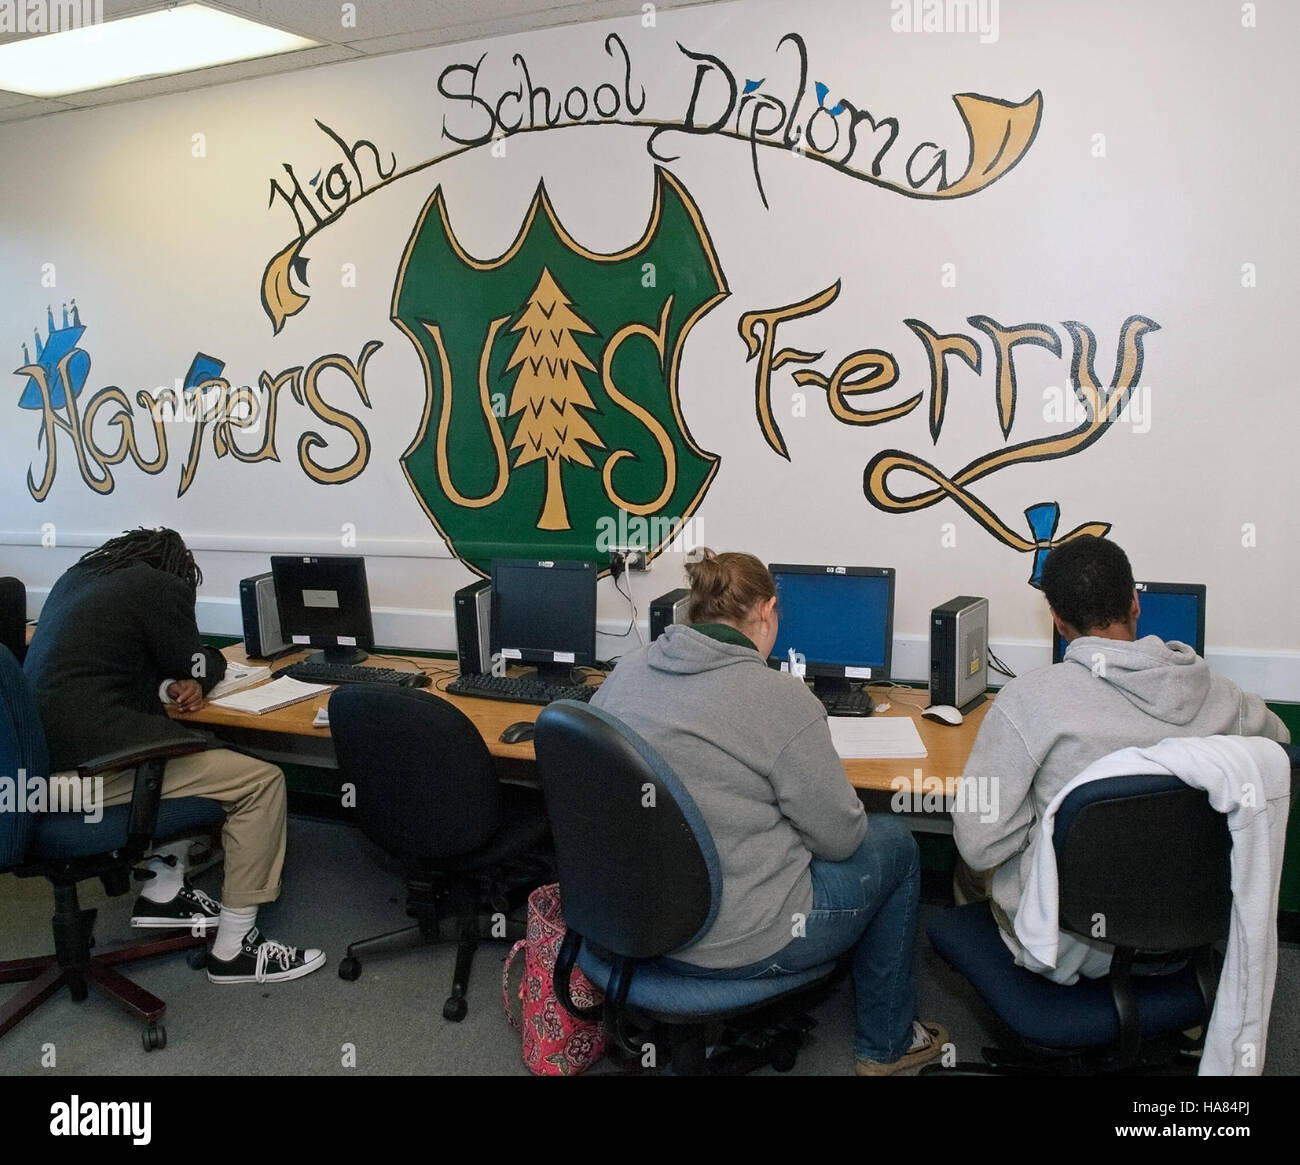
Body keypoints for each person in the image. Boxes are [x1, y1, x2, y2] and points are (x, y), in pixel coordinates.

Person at [590, 548, 945, 1075]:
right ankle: (885, 1045)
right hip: (742, 938)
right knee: (894, 842)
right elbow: (841, 841)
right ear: (768, 609)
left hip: (630, 919)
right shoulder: (782, 698)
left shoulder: (624, 675)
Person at [952, 535, 1290, 977]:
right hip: (1186, 931)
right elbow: (1279, 749)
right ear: (1135, 602)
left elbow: (980, 845)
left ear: (1057, 619)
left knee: (967, 868)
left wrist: (1043, 822)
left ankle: (1029, 987)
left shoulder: (1029, 701)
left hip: (1076, 947)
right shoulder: (1219, 694)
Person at [24, 528, 325, 984]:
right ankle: (236, 949)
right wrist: (201, 672)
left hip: (34, 770)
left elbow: (101, 671)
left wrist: (166, 687)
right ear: (180, 573)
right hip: (89, 767)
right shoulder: (159, 586)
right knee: (259, 780)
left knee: (200, 749)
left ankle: (162, 893)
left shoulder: (78, 578)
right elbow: (195, 663)